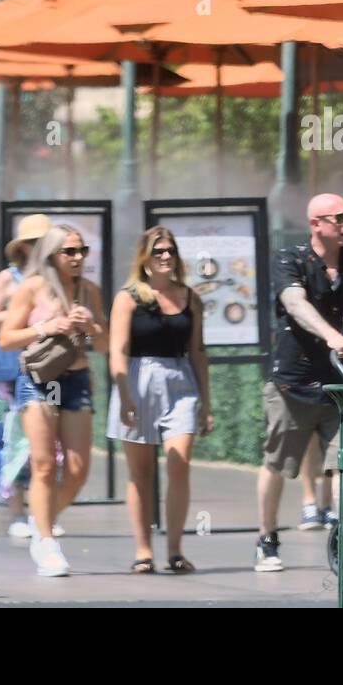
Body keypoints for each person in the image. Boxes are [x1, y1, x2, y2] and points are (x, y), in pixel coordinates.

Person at [256, 193, 343, 572]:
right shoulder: (290, 259)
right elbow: (295, 304)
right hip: (293, 382)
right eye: (338, 218)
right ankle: (266, 539)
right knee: (279, 464)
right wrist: (331, 335)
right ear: (316, 223)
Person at [0, 225, 108, 577]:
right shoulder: (32, 288)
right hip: (39, 380)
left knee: (77, 471)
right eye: (70, 252)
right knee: (44, 464)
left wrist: (90, 326)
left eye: (82, 251)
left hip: (76, 380)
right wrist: (48, 327)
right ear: (51, 254)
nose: (78, 258)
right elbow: (6, 339)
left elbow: (105, 345)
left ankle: (40, 519)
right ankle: (46, 541)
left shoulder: (89, 291)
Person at [108, 227, 214, 574]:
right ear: (145, 258)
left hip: (180, 382)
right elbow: (118, 350)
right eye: (158, 251)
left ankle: (175, 549)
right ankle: (143, 550)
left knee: (179, 461)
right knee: (141, 471)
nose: (165, 257)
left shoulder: (190, 297)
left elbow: (198, 352)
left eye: (170, 251)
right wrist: (124, 395)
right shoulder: (128, 298)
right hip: (138, 381)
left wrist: (207, 404)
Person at [0, 213, 51, 537]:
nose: (38, 249)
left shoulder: (56, 278)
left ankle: (44, 513)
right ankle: (16, 512)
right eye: (33, 243)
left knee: (47, 445)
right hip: (12, 370)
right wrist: (24, 310)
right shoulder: (10, 278)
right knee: (16, 441)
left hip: (47, 367)